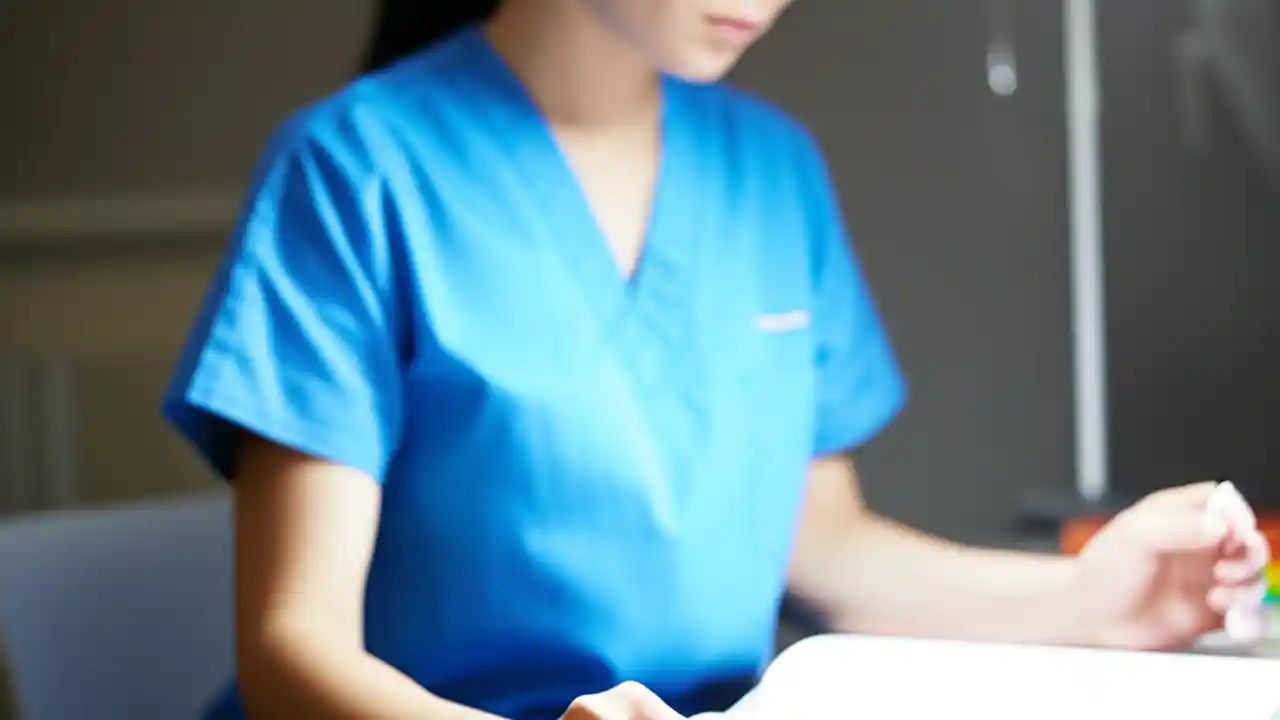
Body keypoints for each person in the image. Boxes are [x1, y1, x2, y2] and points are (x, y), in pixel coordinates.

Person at [162, 1, 1272, 718]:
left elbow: (824, 549)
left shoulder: (768, 170)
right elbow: (290, 653)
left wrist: (1091, 598)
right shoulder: (355, 172)